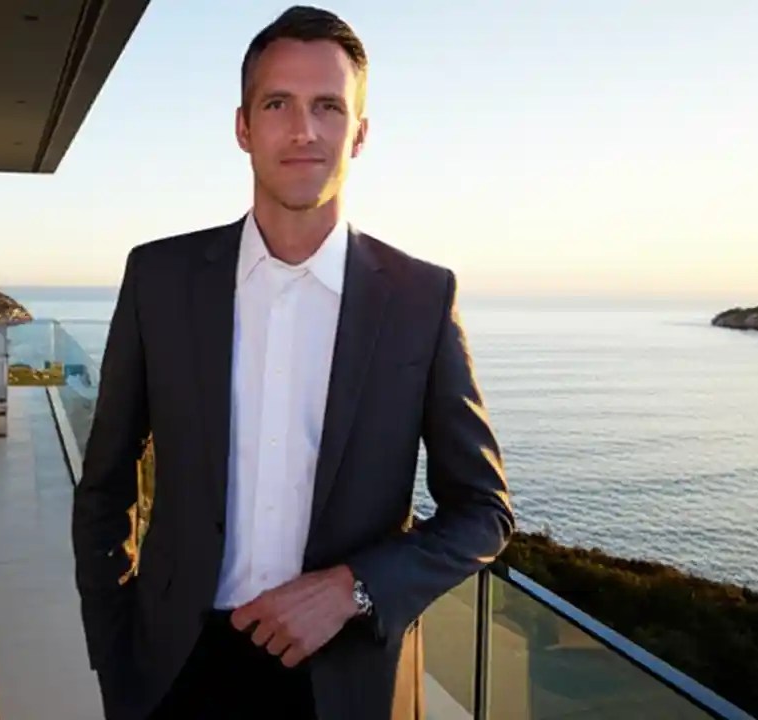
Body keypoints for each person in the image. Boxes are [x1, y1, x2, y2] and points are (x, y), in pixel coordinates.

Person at [72, 6, 513, 719]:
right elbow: (103, 490)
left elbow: (483, 511)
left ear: (359, 134)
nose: (304, 130)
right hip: (174, 671)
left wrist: (354, 587)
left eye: (328, 107)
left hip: (343, 682)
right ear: (244, 127)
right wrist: (116, 662)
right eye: (278, 103)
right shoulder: (159, 278)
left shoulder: (421, 299)